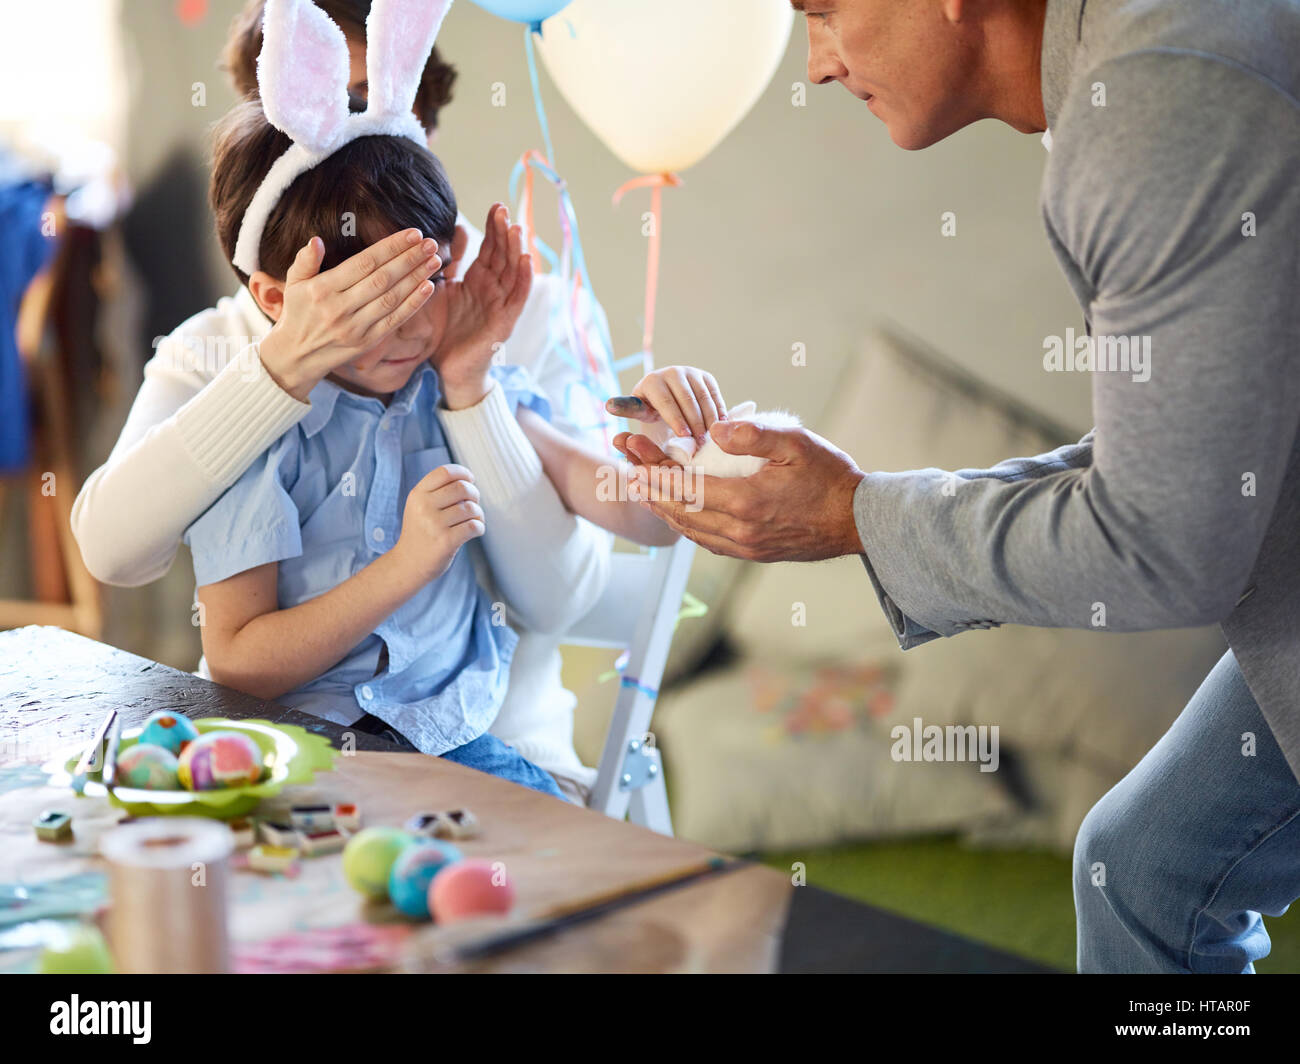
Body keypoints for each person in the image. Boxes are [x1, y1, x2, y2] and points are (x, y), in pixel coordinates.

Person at [615, 0, 1300, 973]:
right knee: (1146, 869)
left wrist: (855, 514)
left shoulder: (1150, 104)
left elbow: (1162, 539)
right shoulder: (1129, 67)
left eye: (821, 13)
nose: (813, 66)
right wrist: (866, 505)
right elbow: (1186, 453)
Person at [70, 0, 670, 802]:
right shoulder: (224, 360)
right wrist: (281, 369)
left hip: (492, 748)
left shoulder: (499, 310)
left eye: (373, 103)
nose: (347, 133)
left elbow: (574, 580)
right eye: (314, 111)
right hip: (300, 754)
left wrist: (473, 387)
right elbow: (115, 552)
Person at [189, 96, 572, 796]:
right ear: (279, 300)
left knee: (567, 858)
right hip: (292, 744)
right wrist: (406, 566)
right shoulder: (251, 426)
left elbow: (609, 496)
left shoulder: (445, 378)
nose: (405, 332)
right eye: (370, 302)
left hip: (447, 740)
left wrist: (678, 446)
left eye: (424, 286)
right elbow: (237, 660)